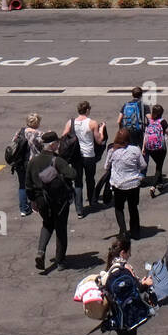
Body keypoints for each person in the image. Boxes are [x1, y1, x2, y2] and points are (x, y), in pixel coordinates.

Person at [102, 237, 152, 335]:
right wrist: (144, 285)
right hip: (126, 317)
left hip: (116, 316)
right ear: (123, 252)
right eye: (129, 252)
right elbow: (132, 291)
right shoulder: (122, 270)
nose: (130, 254)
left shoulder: (112, 268)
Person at [25, 131, 75, 271]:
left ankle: (41, 252)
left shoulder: (33, 161)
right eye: (57, 143)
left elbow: (28, 185)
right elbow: (72, 174)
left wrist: (33, 201)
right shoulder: (57, 160)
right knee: (60, 228)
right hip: (59, 201)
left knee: (47, 224)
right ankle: (60, 261)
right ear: (53, 145)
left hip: (41, 200)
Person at [63, 101, 106, 216]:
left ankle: (79, 209)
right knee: (90, 178)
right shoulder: (92, 123)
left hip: (76, 156)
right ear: (87, 110)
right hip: (89, 155)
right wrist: (101, 130)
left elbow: (63, 137)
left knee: (78, 182)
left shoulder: (70, 122)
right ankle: (92, 200)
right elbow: (99, 140)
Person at [103, 128, 146, 240]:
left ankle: (123, 231)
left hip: (119, 184)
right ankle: (135, 232)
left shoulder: (113, 151)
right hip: (133, 183)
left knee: (119, 208)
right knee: (133, 207)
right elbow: (143, 165)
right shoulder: (135, 150)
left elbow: (106, 166)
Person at [142, 104, 168, 197]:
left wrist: (143, 148)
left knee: (158, 164)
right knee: (159, 167)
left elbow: (146, 135)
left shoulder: (149, 121)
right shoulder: (163, 122)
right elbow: (167, 132)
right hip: (160, 147)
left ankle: (160, 183)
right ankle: (153, 187)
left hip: (150, 147)